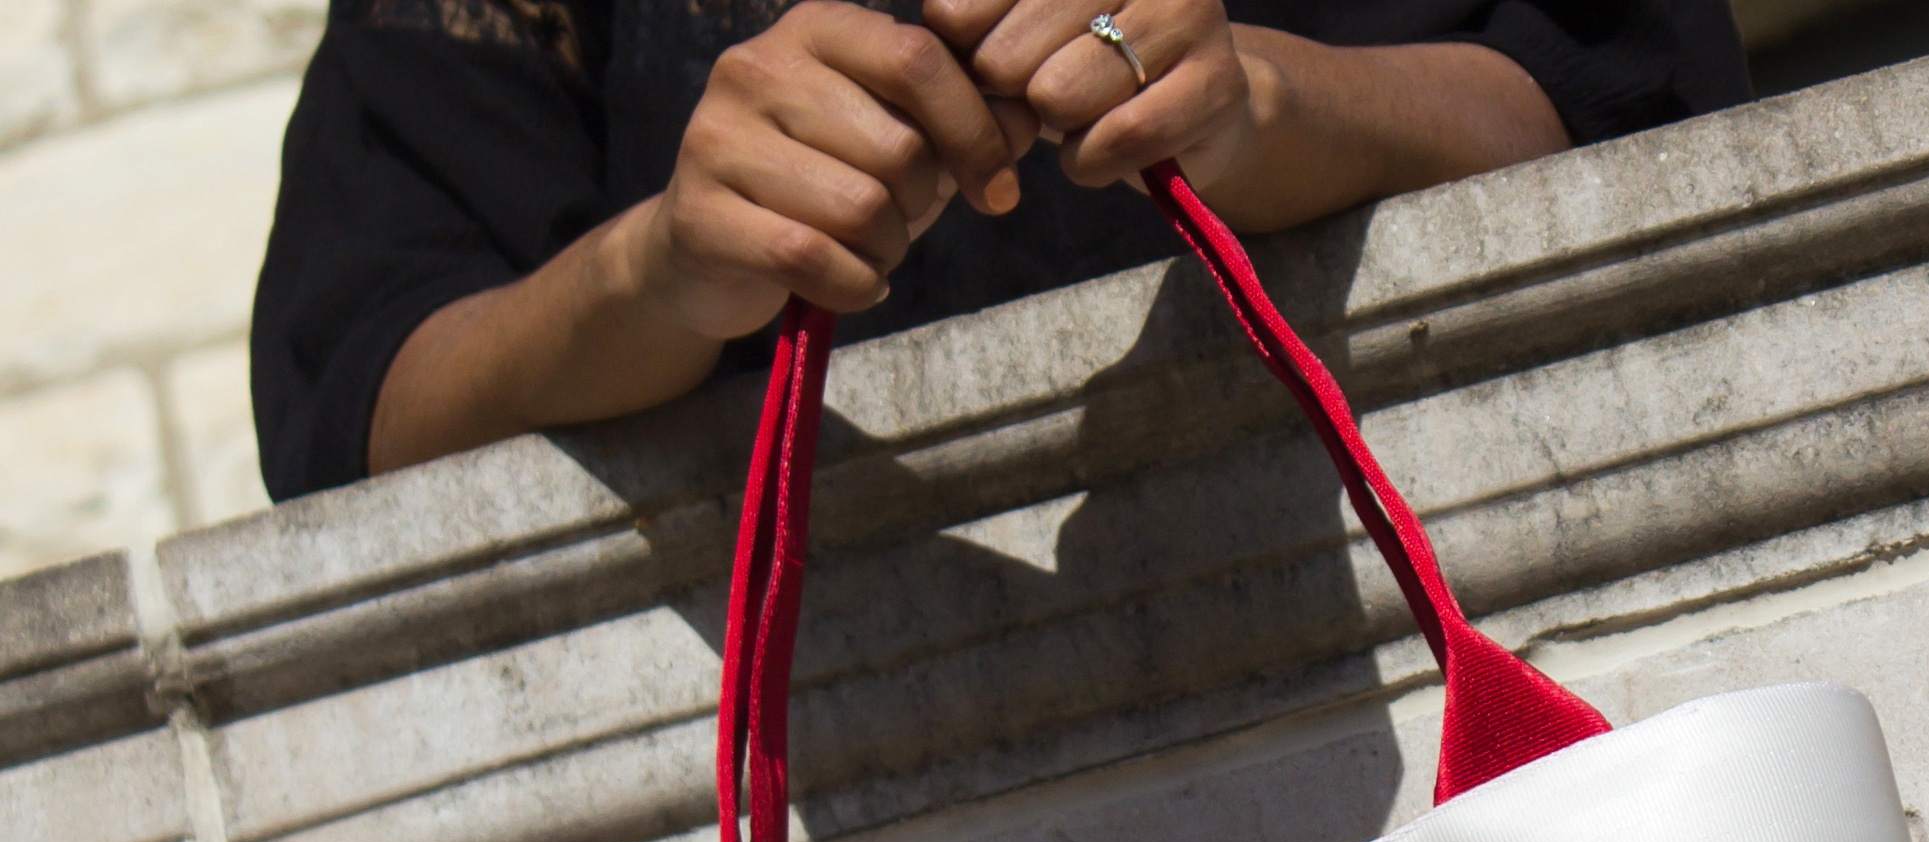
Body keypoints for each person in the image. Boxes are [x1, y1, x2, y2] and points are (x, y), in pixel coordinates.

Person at [253, 0, 1750, 500]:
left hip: (1458, 626)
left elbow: (1638, 119)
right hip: (812, 812)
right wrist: (662, 270)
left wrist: (1272, 103)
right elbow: (369, 409)